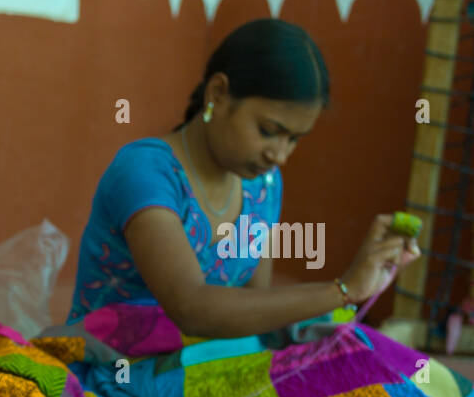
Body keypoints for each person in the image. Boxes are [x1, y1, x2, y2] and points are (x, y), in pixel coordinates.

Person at [68, 18, 421, 335]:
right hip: (114, 369)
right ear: (218, 94)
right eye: (268, 130)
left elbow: (254, 310)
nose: (279, 154)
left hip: (201, 366)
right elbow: (191, 308)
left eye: (294, 139)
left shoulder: (262, 185)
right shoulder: (147, 172)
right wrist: (342, 291)